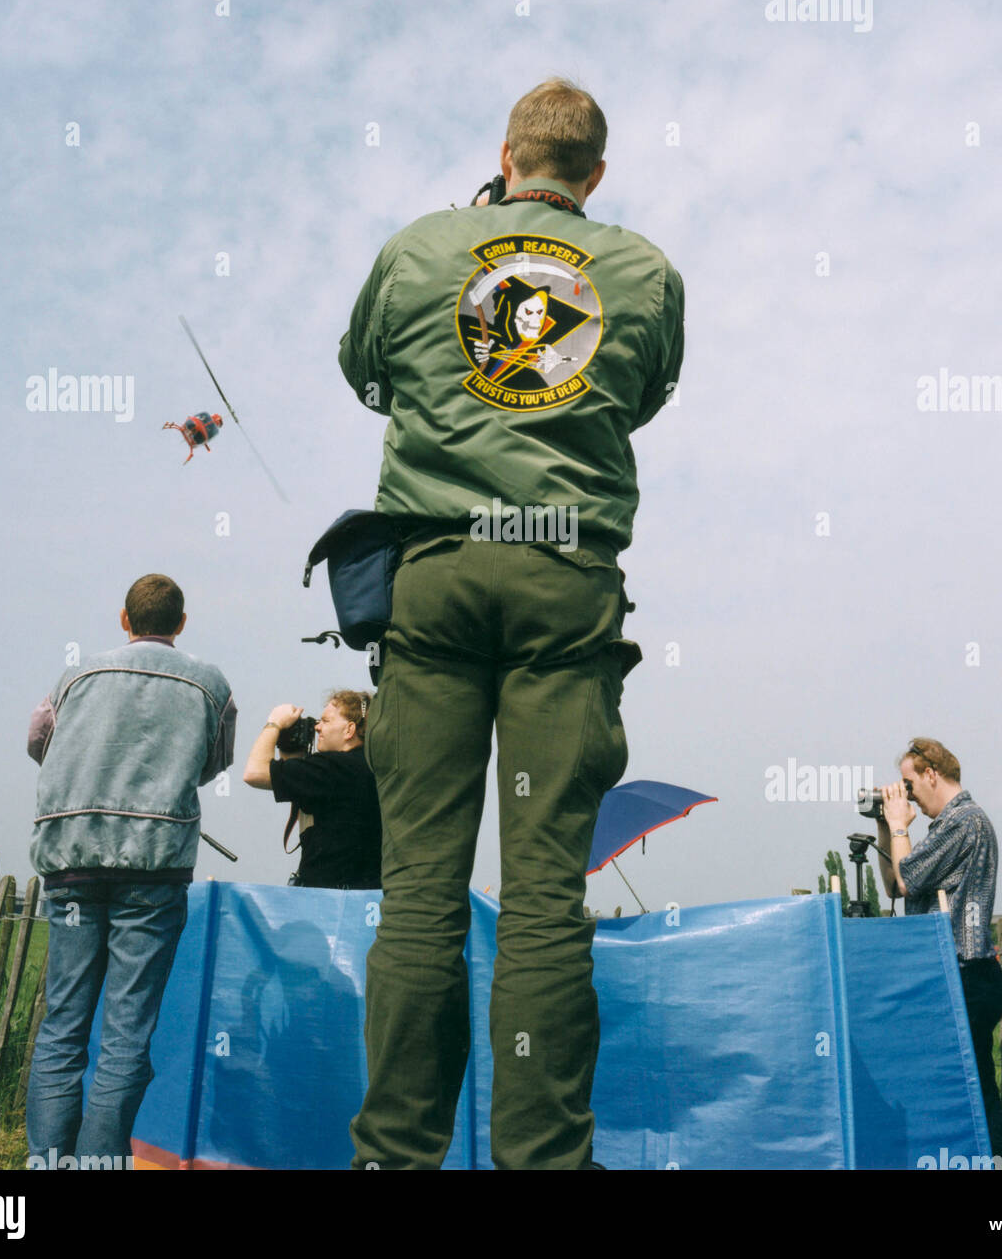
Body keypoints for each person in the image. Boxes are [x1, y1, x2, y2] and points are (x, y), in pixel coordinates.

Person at [340, 78, 684, 1169]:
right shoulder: (641, 271)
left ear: (505, 154)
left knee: (419, 899)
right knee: (543, 902)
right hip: (563, 581)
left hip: (434, 576)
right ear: (594, 174)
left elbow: (365, 373)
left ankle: (394, 1156)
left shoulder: (419, 246)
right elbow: (639, 392)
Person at [25, 574, 235, 1169]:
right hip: (154, 864)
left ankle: (46, 1162)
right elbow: (210, 761)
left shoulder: (77, 675)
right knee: (124, 1035)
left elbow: (40, 738)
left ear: (124, 619)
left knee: (62, 1025)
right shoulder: (210, 683)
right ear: (181, 623)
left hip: (71, 859)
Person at [875, 737, 1002, 1153]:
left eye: (908, 783)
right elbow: (897, 886)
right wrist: (885, 827)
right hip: (957, 974)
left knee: (972, 1088)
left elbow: (908, 877)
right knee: (963, 1085)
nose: (907, 793)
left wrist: (899, 826)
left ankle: (992, 1160)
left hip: (966, 973)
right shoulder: (951, 825)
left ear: (931, 774)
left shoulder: (964, 821)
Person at [242, 690, 381, 889]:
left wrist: (274, 723)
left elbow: (254, 773)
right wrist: (292, 750)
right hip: (360, 895)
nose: (317, 727)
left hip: (328, 901)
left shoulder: (336, 767)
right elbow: (303, 790)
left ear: (349, 730)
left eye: (325, 721)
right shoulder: (365, 766)